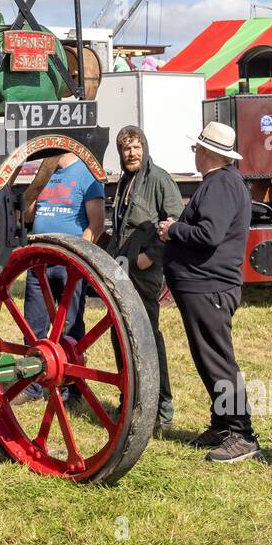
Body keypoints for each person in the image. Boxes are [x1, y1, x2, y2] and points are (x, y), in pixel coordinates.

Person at [157, 121, 256, 462]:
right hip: (204, 284)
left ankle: (241, 434)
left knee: (216, 360)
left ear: (207, 152)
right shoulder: (223, 182)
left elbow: (208, 234)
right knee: (209, 358)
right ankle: (224, 424)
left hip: (209, 284)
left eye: (196, 149)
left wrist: (173, 230)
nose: (195, 154)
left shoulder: (221, 185)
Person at [107, 125, 184, 431]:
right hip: (122, 269)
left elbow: (175, 222)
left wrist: (150, 255)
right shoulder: (125, 181)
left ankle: (161, 409)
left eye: (137, 147)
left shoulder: (158, 178)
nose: (132, 153)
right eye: (127, 148)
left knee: (147, 337)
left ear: (145, 148)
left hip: (144, 271)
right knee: (120, 335)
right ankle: (131, 400)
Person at [17, 152, 106, 404]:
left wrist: (79, 258)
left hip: (69, 264)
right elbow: (29, 217)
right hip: (39, 262)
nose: (43, 155)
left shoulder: (85, 174)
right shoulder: (45, 175)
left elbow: (96, 224)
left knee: (71, 326)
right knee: (34, 325)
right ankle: (32, 386)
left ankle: (72, 389)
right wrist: (33, 190)